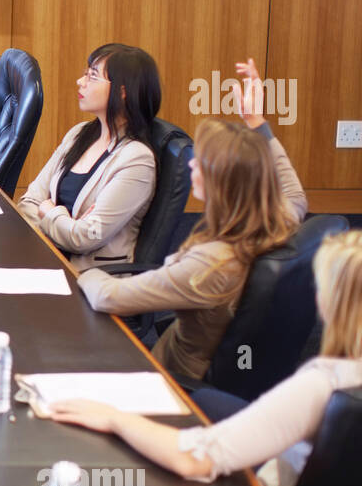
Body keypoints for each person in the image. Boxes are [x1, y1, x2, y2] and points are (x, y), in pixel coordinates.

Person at [47, 78, 362, 486]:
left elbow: (198, 457)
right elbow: (294, 194)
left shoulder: (318, 385)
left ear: (326, 304)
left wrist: (115, 418)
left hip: (240, 467)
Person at [75, 59, 307, 379]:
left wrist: (78, 273)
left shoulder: (210, 264)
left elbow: (107, 296)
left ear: (220, 183)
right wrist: (256, 122)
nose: (192, 165)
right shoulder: (277, 221)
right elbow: (295, 195)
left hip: (174, 379)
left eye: (202, 162)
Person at [15, 44, 160, 270]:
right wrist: (66, 224)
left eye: (92, 76)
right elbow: (28, 203)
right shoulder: (78, 134)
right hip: (47, 261)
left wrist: (51, 212)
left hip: (90, 279)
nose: (80, 82)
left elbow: (85, 237)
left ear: (122, 92)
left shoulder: (137, 159)